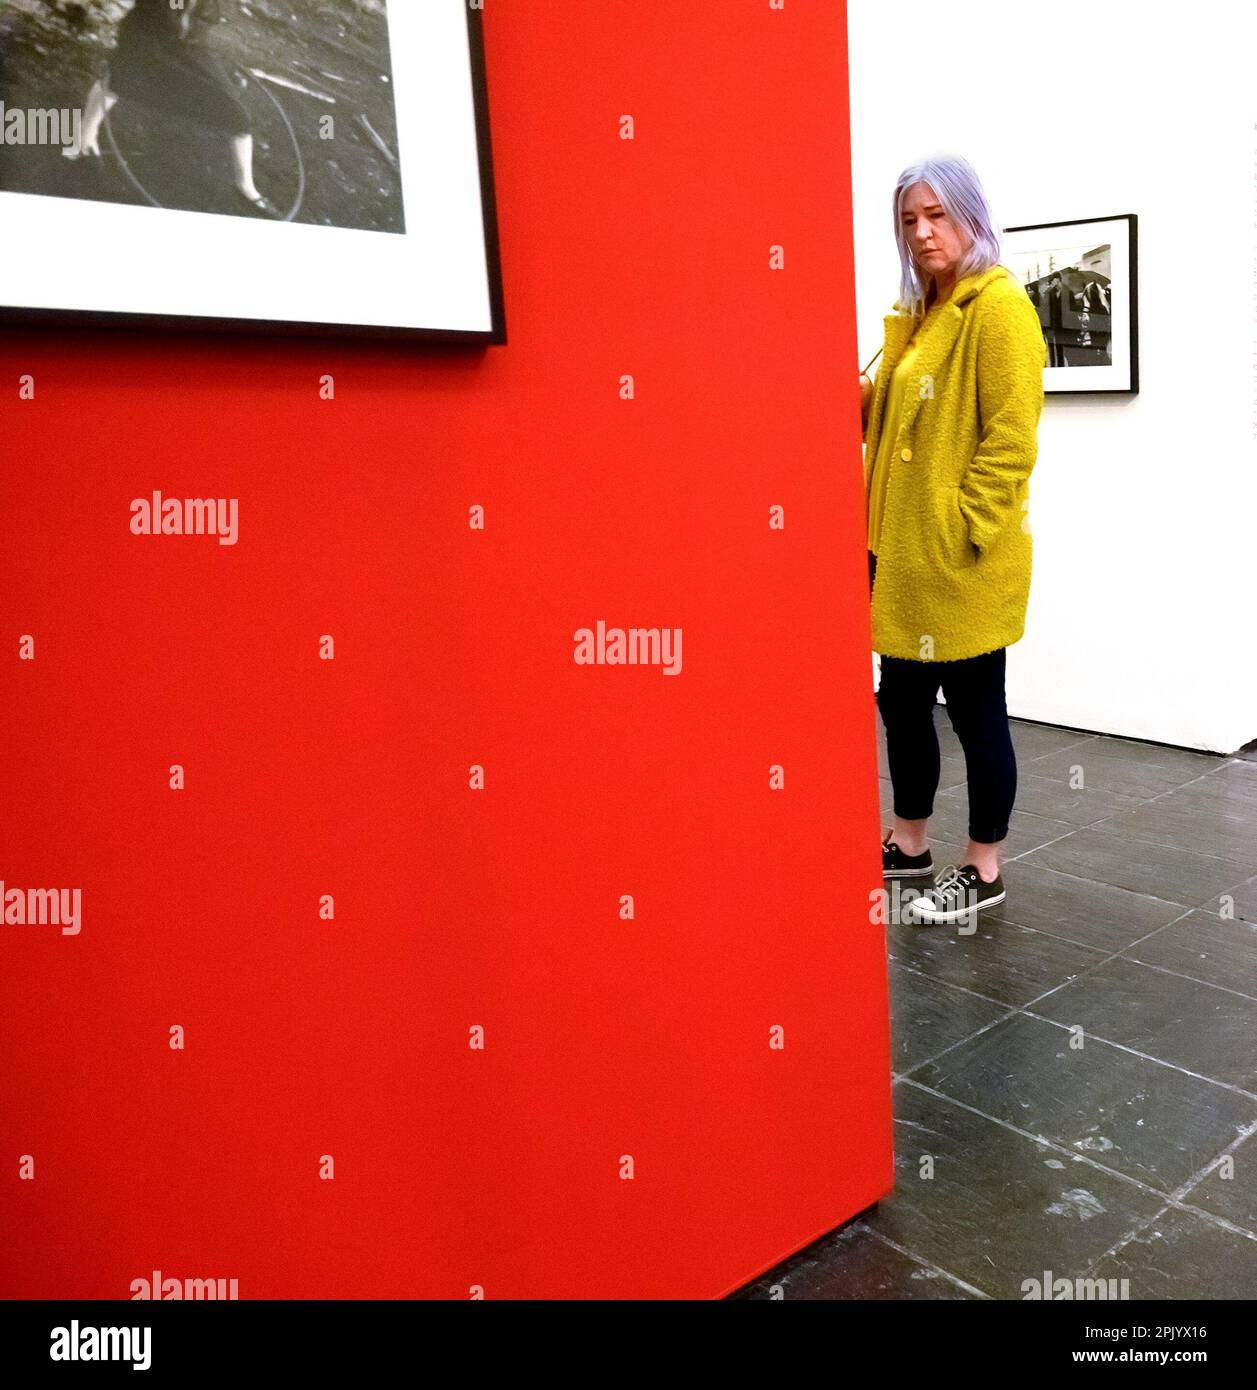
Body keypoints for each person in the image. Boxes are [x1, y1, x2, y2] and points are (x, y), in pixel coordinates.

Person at [858, 154, 1047, 927]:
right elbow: (889, 418)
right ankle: (909, 845)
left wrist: (964, 525)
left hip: (956, 559)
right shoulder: (923, 312)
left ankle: (983, 864)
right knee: (901, 705)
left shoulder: (996, 307)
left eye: (936, 215)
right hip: (897, 554)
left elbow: (1010, 440)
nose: (922, 233)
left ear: (970, 215)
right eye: (909, 220)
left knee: (976, 714)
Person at [63, 0, 279, 218]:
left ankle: (246, 188)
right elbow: (166, 11)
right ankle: (85, 137)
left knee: (236, 113)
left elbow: (201, 19)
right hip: (146, 40)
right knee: (118, 80)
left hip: (189, 48)